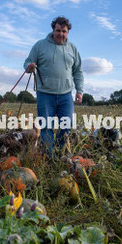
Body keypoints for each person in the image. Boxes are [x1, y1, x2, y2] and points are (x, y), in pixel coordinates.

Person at [24, 16, 84, 156]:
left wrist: (79, 90)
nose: (61, 34)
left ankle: (60, 151)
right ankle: (49, 156)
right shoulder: (40, 45)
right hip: (45, 94)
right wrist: (30, 67)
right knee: (46, 127)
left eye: (64, 31)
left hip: (65, 94)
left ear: (68, 32)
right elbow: (27, 62)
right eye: (58, 31)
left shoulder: (72, 48)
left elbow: (78, 71)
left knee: (67, 124)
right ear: (53, 30)